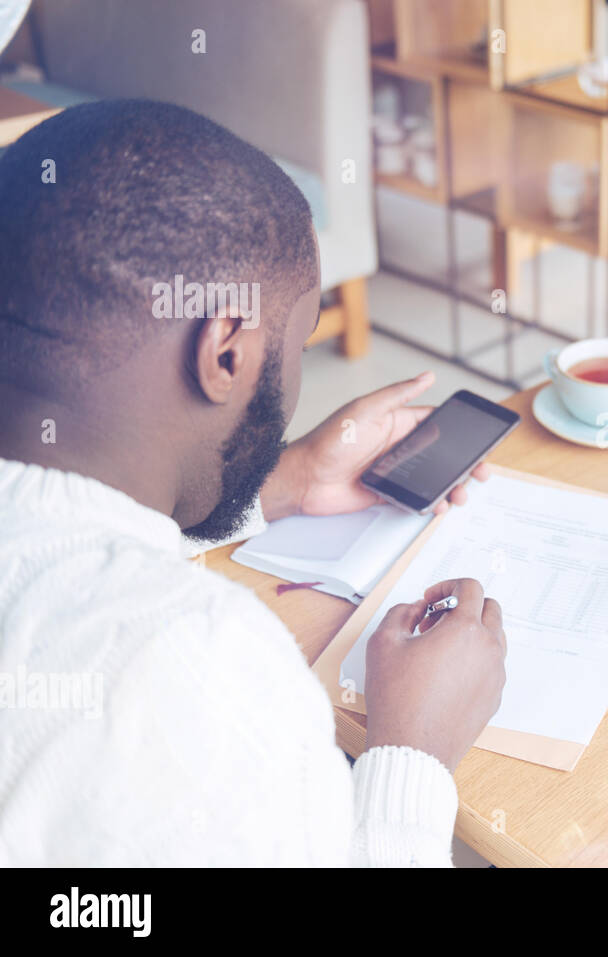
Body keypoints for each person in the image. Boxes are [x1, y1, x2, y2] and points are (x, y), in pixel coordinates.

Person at [0, 99, 505, 865]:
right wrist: (412, 753)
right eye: (300, 340)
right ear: (227, 353)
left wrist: (287, 477)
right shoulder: (206, 676)